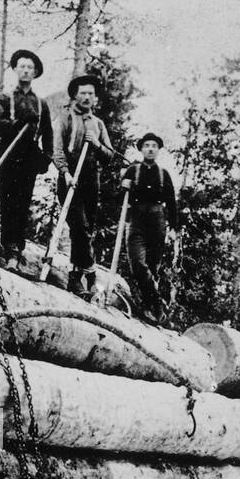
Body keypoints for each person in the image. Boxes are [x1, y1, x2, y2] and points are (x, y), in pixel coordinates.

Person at [54, 74, 115, 298]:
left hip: (91, 181)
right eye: (83, 93)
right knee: (78, 226)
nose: (87, 97)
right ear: (75, 95)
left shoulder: (98, 124)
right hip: (70, 179)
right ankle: (89, 271)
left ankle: (75, 276)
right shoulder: (65, 118)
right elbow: (57, 149)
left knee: (86, 230)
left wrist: (97, 143)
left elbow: (109, 156)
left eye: (91, 93)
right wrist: (66, 173)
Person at [0, 49, 54, 273]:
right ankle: (9, 251)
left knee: (23, 203)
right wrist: (19, 123)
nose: (26, 70)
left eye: (30, 67)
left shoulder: (41, 103)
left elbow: (48, 133)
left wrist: (46, 157)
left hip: (29, 155)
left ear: (35, 72)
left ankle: (17, 249)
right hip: (8, 153)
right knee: (8, 202)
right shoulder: (5, 98)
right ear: (15, 69)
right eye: (22, 66)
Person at [120, 132, 181, 325]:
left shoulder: (164, 174)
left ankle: (148, 309)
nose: (150, 149)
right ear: (141, 149)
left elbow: (171, 201)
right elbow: (118, 199)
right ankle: (157, 303)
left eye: (154, 145)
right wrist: (123, 186)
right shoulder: (132, 170)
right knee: (137, 264)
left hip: (157, 221)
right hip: (136, 220)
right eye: (147, 145)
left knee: (153, 268)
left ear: (158, 150)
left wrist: (174, 227)